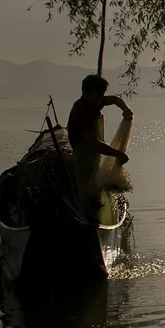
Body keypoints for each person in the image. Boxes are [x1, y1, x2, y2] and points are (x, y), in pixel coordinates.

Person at [67, 75, 133, 221]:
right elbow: (94, 143)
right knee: (87, 195)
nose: (101, 98)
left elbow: (115, 100)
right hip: (82, 157)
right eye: (98, 94)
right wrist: (118, 155)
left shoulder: (94, 103)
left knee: (97, 192)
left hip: (94, 157)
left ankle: (96, 222)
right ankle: (90, 225)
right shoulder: (81, 111)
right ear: (87, 92)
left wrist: (125, 109)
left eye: (102, 94)